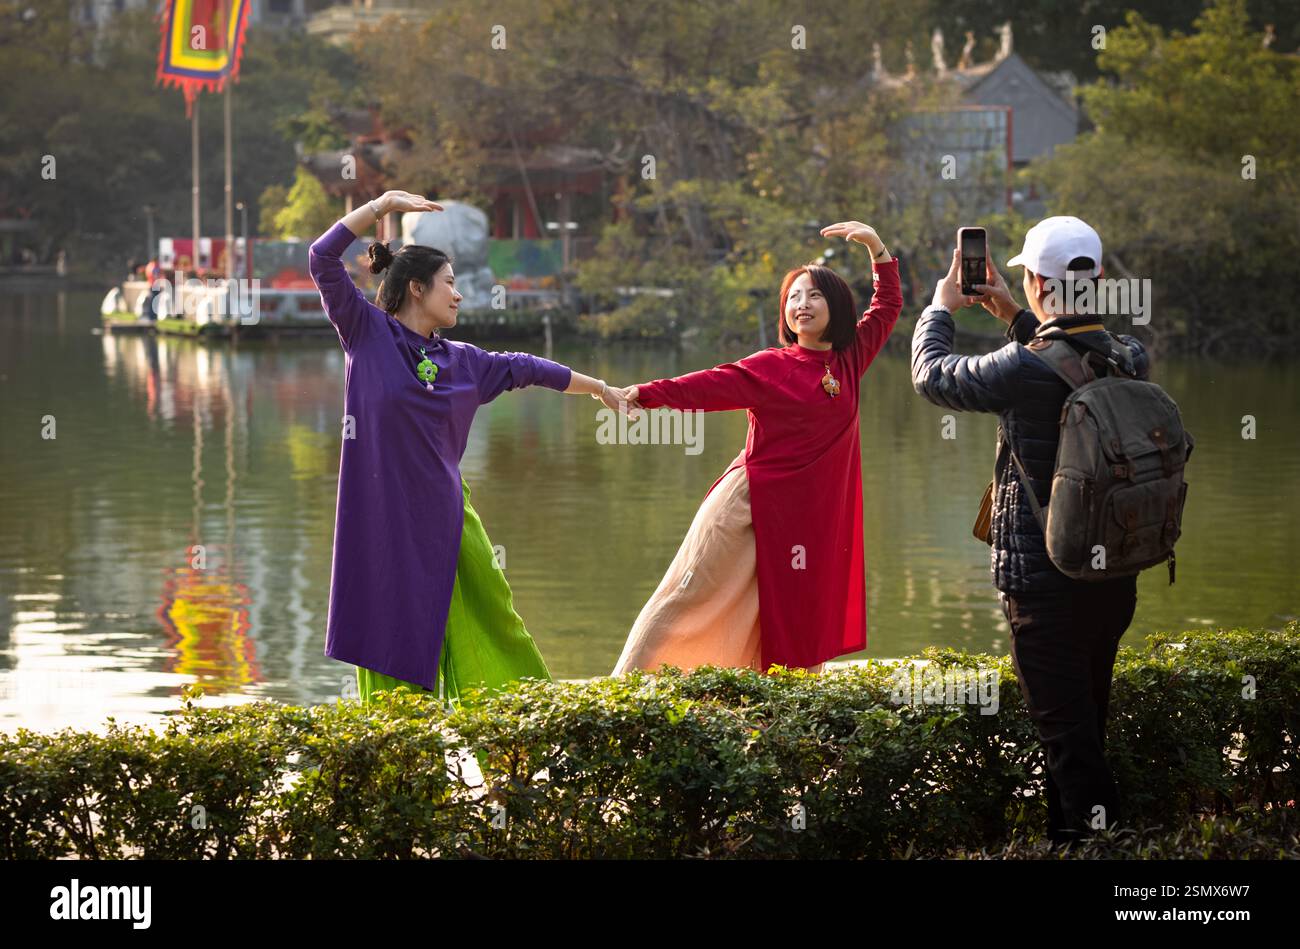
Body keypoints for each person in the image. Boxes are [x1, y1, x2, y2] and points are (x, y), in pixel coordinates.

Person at [310, 189, 630, 708]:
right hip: (383, 523)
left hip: (448, 517)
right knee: (392, 643)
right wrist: (382, 206)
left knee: (492, 623)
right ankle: (405, 770)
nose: (458, 295)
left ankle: (520, 745)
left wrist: (597, 387)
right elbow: (321, 257)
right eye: (450, 284)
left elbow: (526, 367)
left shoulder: (464, 361)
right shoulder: (367, 335)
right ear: (417, 288)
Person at [910, 215, 1149, 847]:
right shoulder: (1130, 355)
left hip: (1043, 589)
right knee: (1081, 726)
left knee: (1071, 747)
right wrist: (1017, 311)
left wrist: (940, 307)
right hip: (1113, 577)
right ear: (1095, 279)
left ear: (1039, 281)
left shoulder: (1021, 368)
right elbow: (1066, 357)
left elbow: (932, 375)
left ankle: (1100, 847)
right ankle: (1067, 842)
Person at [612, 221, 902, 676]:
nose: (800, 305)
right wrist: (644, 394)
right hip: (748, 508)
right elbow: (707, 386)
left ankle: (778, 730)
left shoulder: (849, 360)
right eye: (792, 298)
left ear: (838, 306)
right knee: (686, 598)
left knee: (796, 619)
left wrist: (876, 248)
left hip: (808, 523)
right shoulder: (773, 366)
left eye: (813, 295)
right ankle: (625, 693)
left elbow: (887, 306)